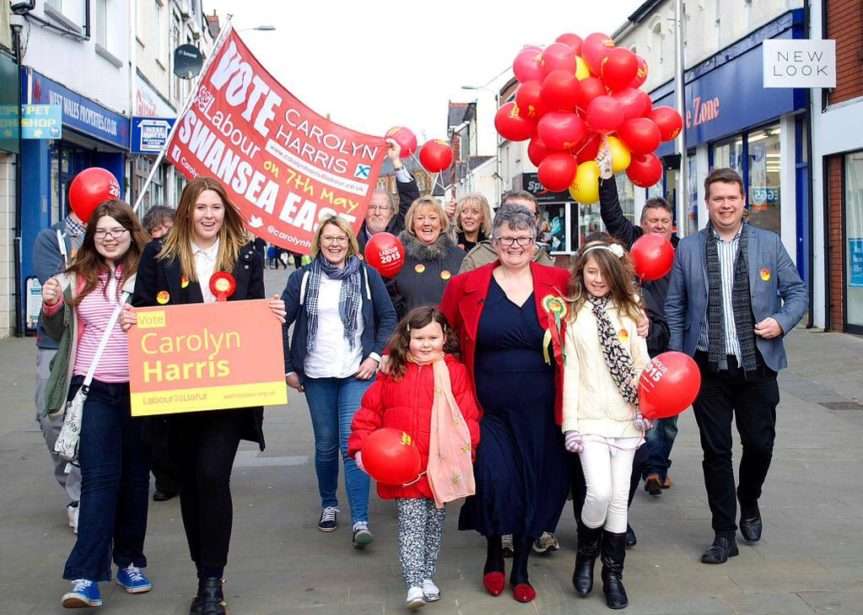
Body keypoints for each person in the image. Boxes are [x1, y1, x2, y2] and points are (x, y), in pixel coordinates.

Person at [128, 176, 286, 615]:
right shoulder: (158, 256)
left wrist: (272, 313)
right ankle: (203, 566)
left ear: (225, 212)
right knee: (191, 482)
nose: (209, 215)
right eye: (201, 208)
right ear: (186, 212)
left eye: (216, 207)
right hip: (177, 393)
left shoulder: (246, 256)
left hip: (228, 392)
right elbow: (142, 310)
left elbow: (255, 311)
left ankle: (212, 582)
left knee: (214, 476)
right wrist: (133, 321)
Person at [665, 168, 806, 564]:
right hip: (707, 367)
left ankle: (750, 498)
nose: (725, 205)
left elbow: (796, 292)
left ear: (743, 200)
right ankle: (723, 533)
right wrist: (679, 359)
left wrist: (781, 321)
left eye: (732, 198)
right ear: (706, 204)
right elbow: (675, 307)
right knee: (716, 451)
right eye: (717, 199)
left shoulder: (769, 243)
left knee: (759, 444)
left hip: (757, 364)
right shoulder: (689, 249)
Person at [440, 205, 571, 603]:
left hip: (542, 406)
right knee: (495, 479)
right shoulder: (467, 284)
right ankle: (494, 553)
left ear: (535, 244)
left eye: (524, 239)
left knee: (535, 479)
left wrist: (637, 321)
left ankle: (522, 567)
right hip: (486, 406)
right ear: (494, 242)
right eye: (508, 238)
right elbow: (442, 334)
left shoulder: (559, 281)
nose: (515, 245)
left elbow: (598, 309)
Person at [41, 201, 152, 608]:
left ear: (130, 231)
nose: (109, 237)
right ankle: (86, 575)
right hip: (93, 391)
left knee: (136, 481)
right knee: (99, 481)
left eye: (117, 229)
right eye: (101, 231)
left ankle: (129, 561)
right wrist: (52, 303)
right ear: (92, 237)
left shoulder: (148, 272)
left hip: (143, 391)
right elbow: (54, 329)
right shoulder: (75, 276)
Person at [347, 307, 481, 609]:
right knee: (411, 524)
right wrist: (360, 447)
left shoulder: (454, 372)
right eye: (419, 337)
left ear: (444, 338)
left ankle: (428, 575)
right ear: (407, 337)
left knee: (434, 524)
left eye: (433, 337)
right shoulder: (393, 370)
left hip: (440, 464)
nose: (426, 343)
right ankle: (414, 583)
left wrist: (468, 449)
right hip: (404, 466)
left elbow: (466, 415)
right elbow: (370, 412)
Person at [281, 216, 397, 549]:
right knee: (326, 444)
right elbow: (280, 320)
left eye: (341, 238)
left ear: (350, 242)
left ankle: (360, 518)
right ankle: (329, 503)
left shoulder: (366, 275)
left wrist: (375, 356)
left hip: (355, 372)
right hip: (316, 374)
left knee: (353, 442)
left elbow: (387, 317)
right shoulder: (301, 279)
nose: (335, 244)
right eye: (328, 238)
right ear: (319, 242)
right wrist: (287, 367)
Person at [562, 238, 652, 610]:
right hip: (589, 418)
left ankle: (612, 574)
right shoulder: (572, 313)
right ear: (581, 272)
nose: (597, 279)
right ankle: (586, 554)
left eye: (604, 272)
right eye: (590, 271)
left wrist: (647, 407)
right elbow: (570, 372)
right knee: (597, 491)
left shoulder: (631, 312)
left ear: (616, 274)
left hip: (627, 417)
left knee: (618, 498)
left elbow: (643, 364)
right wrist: (570, 424)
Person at [598, 145, 679, 498]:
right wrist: (606, 177)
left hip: (667, 338)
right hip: (630, 339)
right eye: (652, 222)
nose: (658, 227)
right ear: (642, 224)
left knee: (668, 418)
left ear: (671, 224)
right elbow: (612, 214)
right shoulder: (631, 242)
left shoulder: (682, 250)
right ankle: (648, 468)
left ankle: (657, 465)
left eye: (663, 222)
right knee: (636, 405)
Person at [33, 209, 86, 533]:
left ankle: (80, 497)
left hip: (97, 341)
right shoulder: (52, 239)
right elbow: (57, 287)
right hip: (56, 339)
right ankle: (69, 476)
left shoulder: (117, 234)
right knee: (49, 415)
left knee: (89, 419)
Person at [141, 205, 181, 503]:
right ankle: (166, 479)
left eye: (166, 230)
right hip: (159, 352)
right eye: (155, 233)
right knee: (156, 424)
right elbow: (143, 300)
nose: (161, 238)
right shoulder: (150, 257)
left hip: (193, 351)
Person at [392, 196, 465, 318]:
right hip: (409, 332)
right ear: (412, 224)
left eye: (432, 218)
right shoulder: (399, 257)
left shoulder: (459, 257)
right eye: (420, 218)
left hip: (448, 333)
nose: (427, 223)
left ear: (441, 223)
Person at [458, 191, 555, 273]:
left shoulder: (544, 259)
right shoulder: (477, 259)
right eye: (512, 213)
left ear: (537, 219)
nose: (520, 220)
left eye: (528, 214)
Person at [357, 139, 420, 253]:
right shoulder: (352, 235)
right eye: (372, 207)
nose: (377, 212)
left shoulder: (400, 231)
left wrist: (396, 161)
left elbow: (410, 199)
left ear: (392, 211)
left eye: (383, 208)